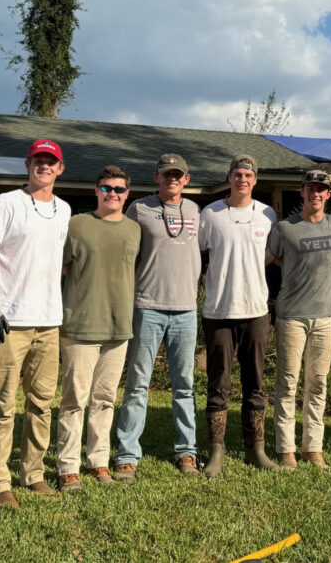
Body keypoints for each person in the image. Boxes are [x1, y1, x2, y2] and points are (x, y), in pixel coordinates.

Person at [0, 139, 71, 507]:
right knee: (2, 404)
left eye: (51, 162)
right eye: (38, 160)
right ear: (27, 164)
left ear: (60, 169)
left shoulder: (63, 210)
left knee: (42, 403)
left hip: (49, 321)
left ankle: (33, 475)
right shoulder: (7, 203)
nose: (44, 166)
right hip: (10, 321)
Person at [113, 153, 202, 479]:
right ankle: (127, 455)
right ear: (157, 177)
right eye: (167, 174)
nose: (172, 179)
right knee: (138, 384)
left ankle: (187, 452)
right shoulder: (139, 209)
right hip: (147, 307)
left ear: (186, 179)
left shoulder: (195, 210)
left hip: (186, 311)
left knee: (185, 386)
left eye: (178, 175)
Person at [56, 166, 141, 490]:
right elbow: (60, 267)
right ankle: (67, 466)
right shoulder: (77, 225)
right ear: (96, 190)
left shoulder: (134, 230)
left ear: (126, 194)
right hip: (80, 326)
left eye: (119, 190)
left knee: (105, 399)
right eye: (107, 188)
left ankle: (99, 461)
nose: (113, 194)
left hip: (118, 329)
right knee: (74, 399)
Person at [197, 155, 279, 476]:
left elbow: (274, 253)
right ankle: (215, 451)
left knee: (255, 383)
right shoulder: (211, 214)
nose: (242, 179)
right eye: (237, 174)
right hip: (219, 310)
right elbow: (200, 251)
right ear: (229, 178)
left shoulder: (267, 215)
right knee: (218, 383)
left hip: (256, 310)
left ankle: (254, 449)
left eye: (248, 175)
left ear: (255, 180)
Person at [268, 169, 331, 470]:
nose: (315, 193)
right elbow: (267, 259)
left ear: (328, 195)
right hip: (292, 316)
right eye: (310, 188)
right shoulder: (284, 228)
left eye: (321, 189)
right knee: (288, 383)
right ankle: (286, 448)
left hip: (325, 317)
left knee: (317, 383)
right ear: (301, 192)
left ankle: (312, 448)